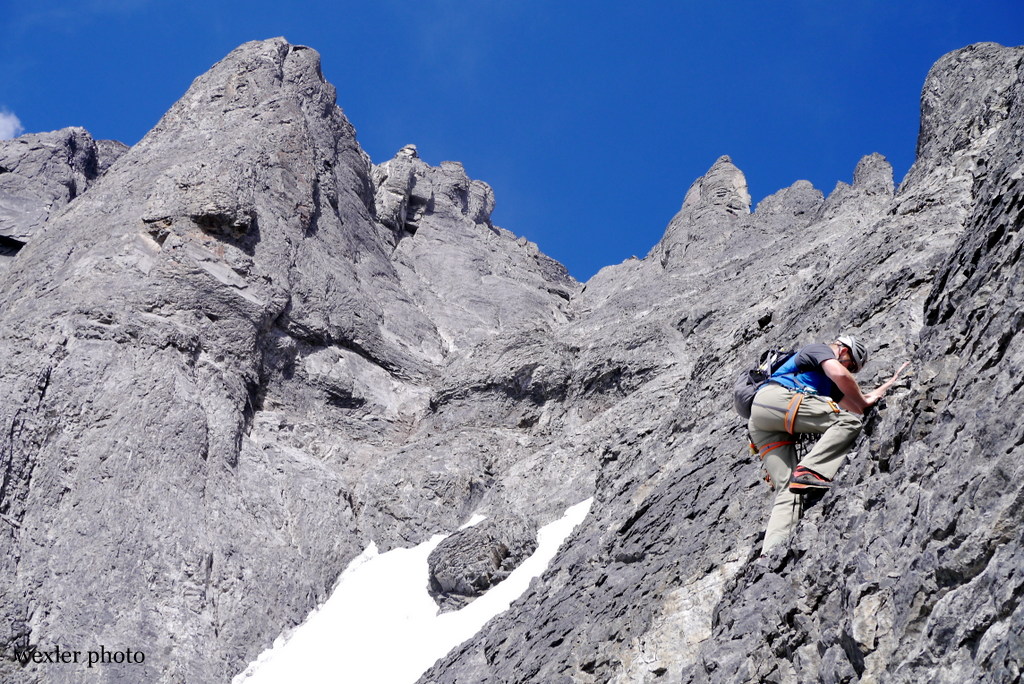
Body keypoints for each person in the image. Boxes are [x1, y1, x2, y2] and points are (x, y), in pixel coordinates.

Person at [749, 335, 908, 555]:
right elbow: (841, 376)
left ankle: (770, 553)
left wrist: (888, 385)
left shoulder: (825, 383)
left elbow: (858, 406)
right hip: (776, 399)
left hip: (760, 420)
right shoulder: (818, 350)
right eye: (852, 364)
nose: (850, 370)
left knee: (789, 489)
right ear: (843, 350)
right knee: (847, 422)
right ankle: (811, 470)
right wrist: (860, 397)